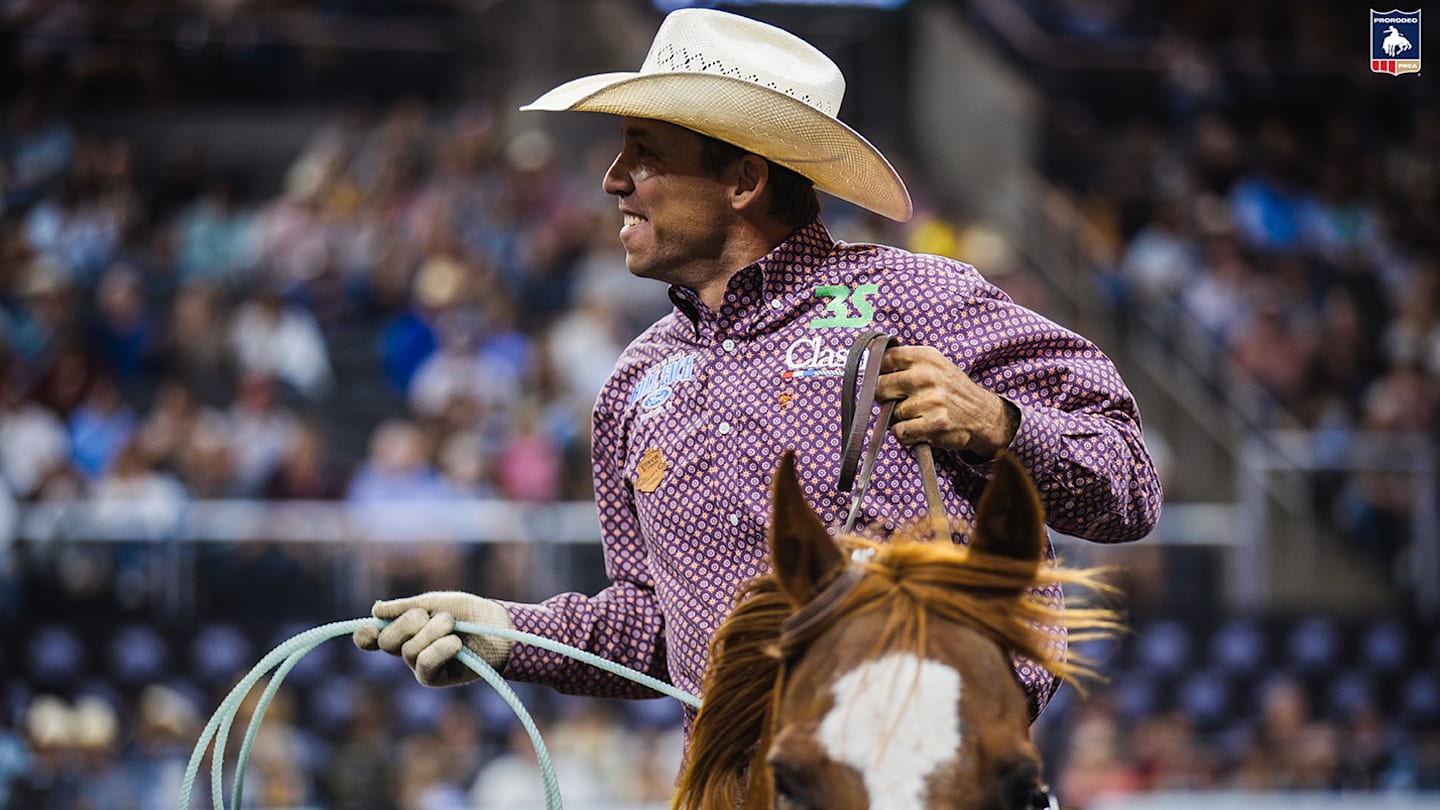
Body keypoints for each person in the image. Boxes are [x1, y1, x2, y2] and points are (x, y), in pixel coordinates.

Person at [355, 7, 1162, 735]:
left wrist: (997, 425)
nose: (612, 179)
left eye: (644, 152)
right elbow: (654, 630)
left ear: (743, 179)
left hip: (929, 765)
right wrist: (506, 630)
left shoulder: (918, 295)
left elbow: (1129, 483)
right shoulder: (633, 385)